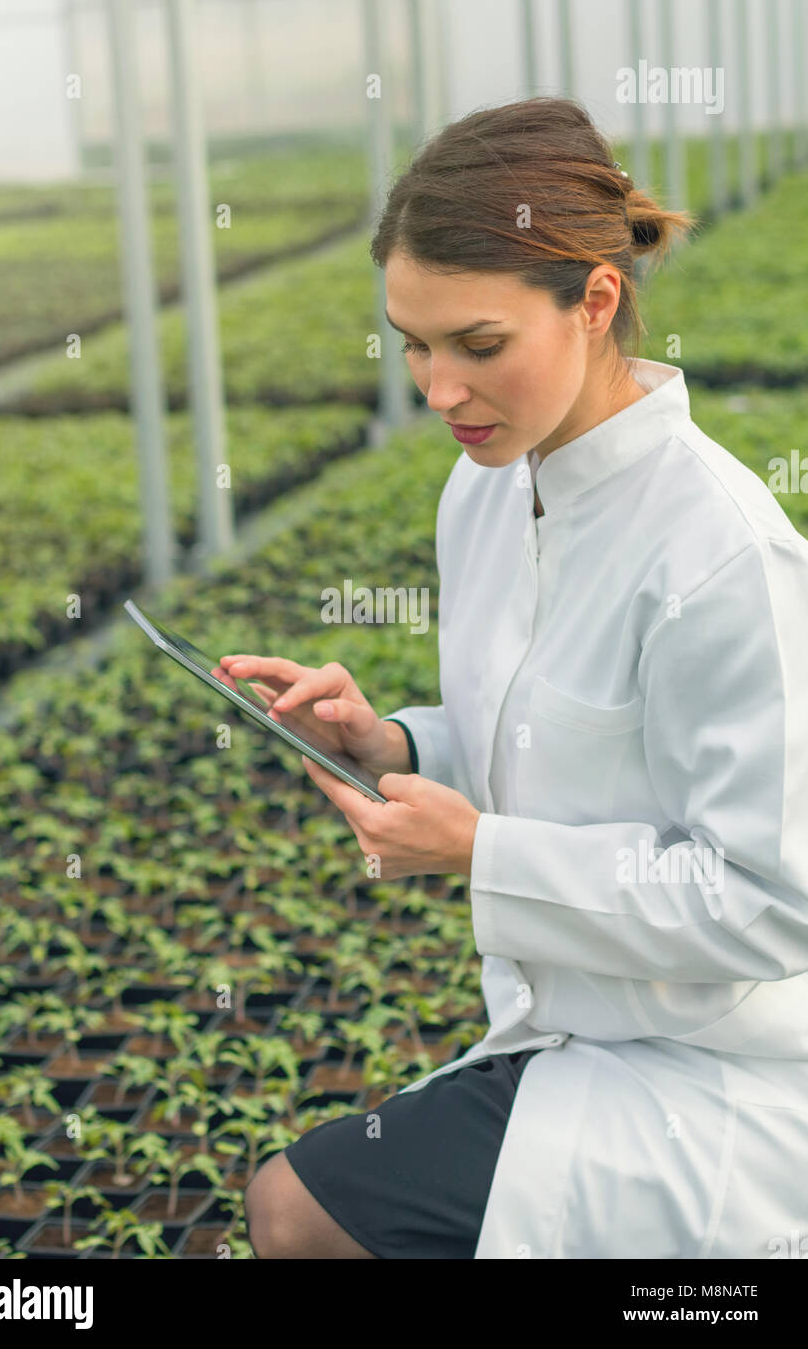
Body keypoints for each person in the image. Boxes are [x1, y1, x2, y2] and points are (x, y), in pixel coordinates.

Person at [212, 97, 808, 1259]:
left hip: (722, 1069)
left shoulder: (720, 554)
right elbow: (551, 736)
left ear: (593, 302)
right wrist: (394, 745)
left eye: (477, 346)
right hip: (571, 1023)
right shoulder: (486, 486)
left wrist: (481, 850)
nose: (437, 390)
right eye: (413, 344)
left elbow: (769, 898)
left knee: (296, 1212)